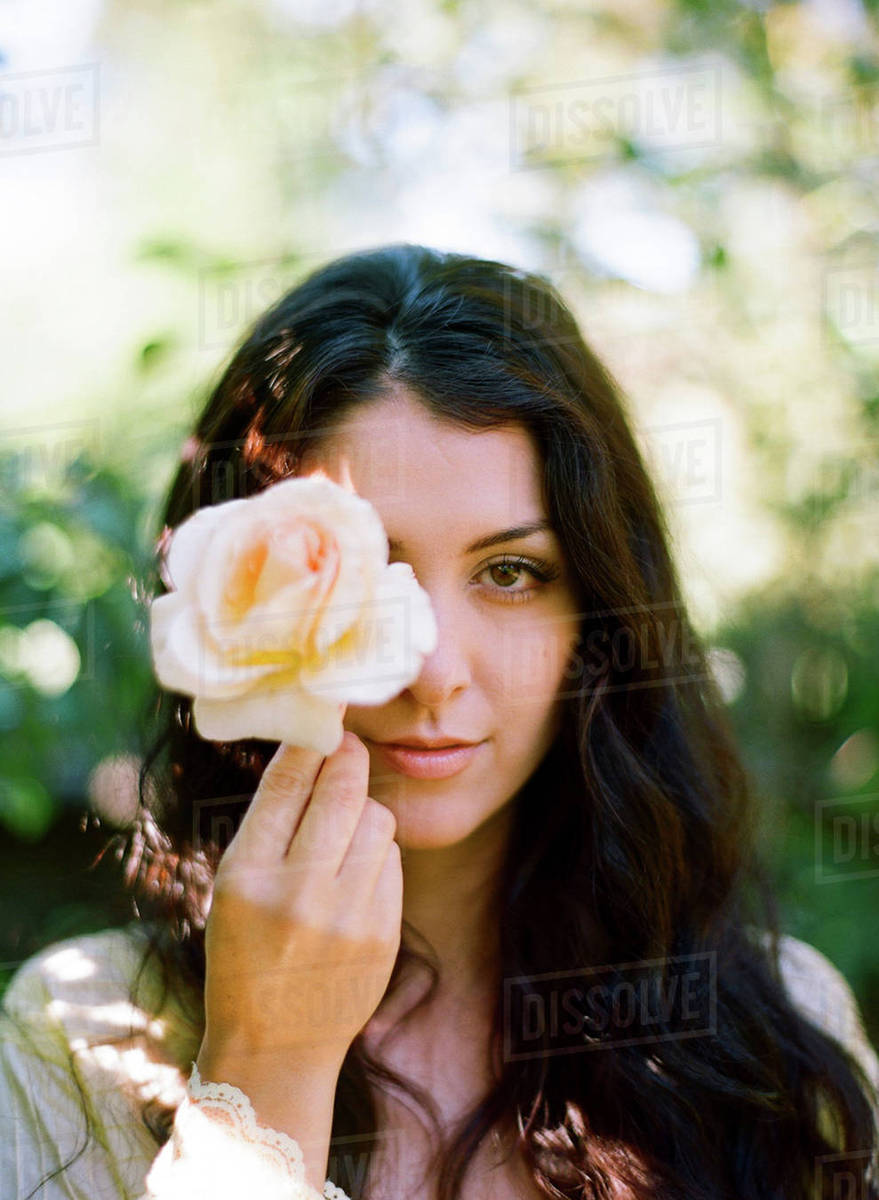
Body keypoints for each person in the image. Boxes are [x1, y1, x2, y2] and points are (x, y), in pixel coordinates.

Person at [1, 243, 877, 1200]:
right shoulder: (77, 1037)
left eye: (510, 573)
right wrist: (261, 1073)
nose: (432, 672)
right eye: (371, 572)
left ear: (597, 618)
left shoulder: (779, 1029)